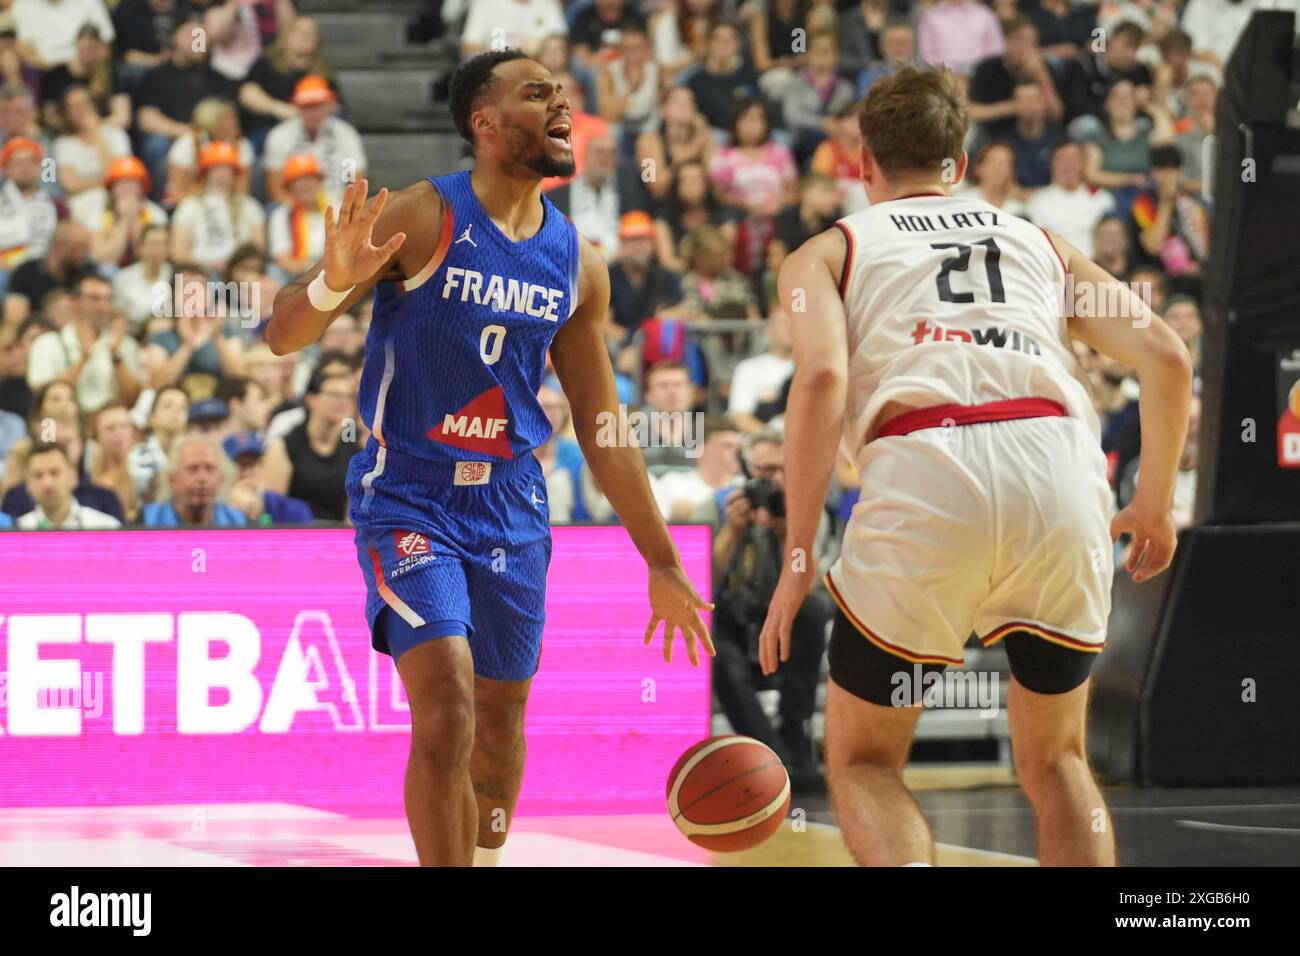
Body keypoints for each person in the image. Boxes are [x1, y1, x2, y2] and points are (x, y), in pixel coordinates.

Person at [264, 50, 713, 867]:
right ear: (485, 122)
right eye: (536, 92)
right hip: (407, 495)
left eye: (562, 94)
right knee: (446, 706)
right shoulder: (426, 214)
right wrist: (330, 288)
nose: (562, 105)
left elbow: (604, 423)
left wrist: (661, 558)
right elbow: (280, 334)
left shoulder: (578, 261)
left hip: (511, 500)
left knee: (502, 728)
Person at [761, 67, 1192, 866]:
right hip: (1059, 468)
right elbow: (1166, 356)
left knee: (863, 759)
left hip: (930, 467)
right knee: (1059, 760)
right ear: (959, 162)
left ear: (863, 162)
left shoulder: (826, 253)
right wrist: (1155, 503)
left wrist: (797, 558)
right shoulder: (1038, 241)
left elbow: (820, 379)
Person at [712, 426, 831, 792]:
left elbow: (805, 582)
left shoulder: (809, 512)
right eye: (765, 472)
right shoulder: (716, 505)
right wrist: (732, 531)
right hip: (730, 619)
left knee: (812, 609)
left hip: (781, 623)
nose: (774, 481)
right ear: (747, 470)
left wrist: (786, 532)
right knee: (712, 641)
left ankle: (794, 735)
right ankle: (771, 754)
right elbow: (703, 582)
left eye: (783, 470)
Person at [141, 431, 247, 525]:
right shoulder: (147, 520)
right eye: (193, 469)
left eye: (210, 469)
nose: (202, 478)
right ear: (173, 479)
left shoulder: (238, 522)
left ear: (221, 478)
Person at [18, 439, 121, 528]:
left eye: (55, 473)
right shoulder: (15, 532)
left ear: (73, 477)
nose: (47, 483)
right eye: (38, 475)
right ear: (28, 484)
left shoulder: (106, 526)